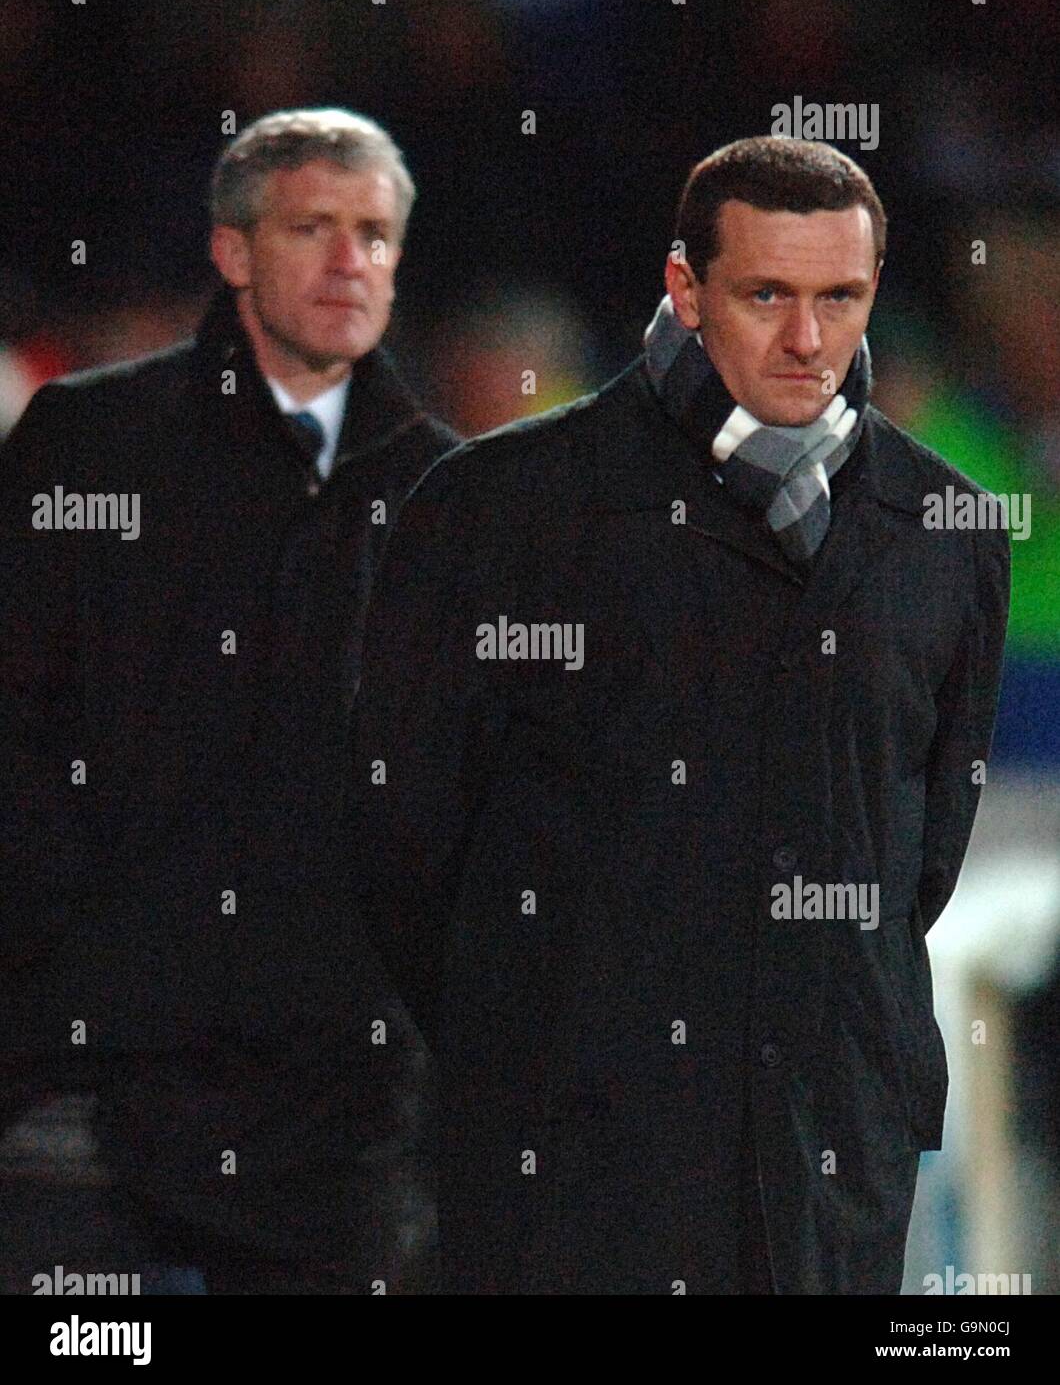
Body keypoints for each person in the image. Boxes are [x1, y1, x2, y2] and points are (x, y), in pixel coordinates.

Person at [346, 136, 1011, 1294]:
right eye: (766, 295)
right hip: (567, 1167)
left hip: (826, 1157)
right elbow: (399, 849)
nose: (806, 340)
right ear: (684, 288)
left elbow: (920, 846)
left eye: (839, 298)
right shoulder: (497, 511)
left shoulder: (945, 529)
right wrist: (549, 1027)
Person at [1, 108, 458, 1293]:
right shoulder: (89, 445)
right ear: (232, 251)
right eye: (311, 227)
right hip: (87, 1092)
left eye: (374, 233)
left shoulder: (443, 495)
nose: (349, 261)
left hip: (338, 1117)